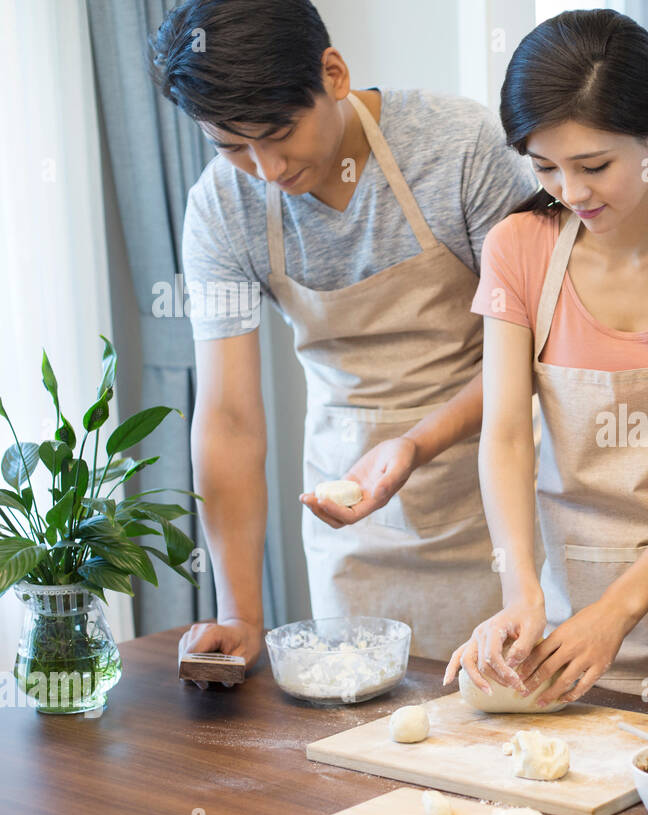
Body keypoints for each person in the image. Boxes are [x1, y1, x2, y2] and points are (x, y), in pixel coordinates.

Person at [150, 0, 537, 668]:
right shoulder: (220, 208)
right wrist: (240, 612)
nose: (266, 168)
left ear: (333, 73)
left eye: (276, 133)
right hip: (355, 528)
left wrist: (414, 445)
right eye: (233, 147)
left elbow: (534, 350)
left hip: (501, 514)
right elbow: (230, 417)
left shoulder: (460, 147)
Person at [444, 9, 648, 710]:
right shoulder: (519, 248)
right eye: (545, 168)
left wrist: (618, 613)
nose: (570, 192)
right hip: (568, 627)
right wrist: (521, 589)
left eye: (593, 165)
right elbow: (506, 434)